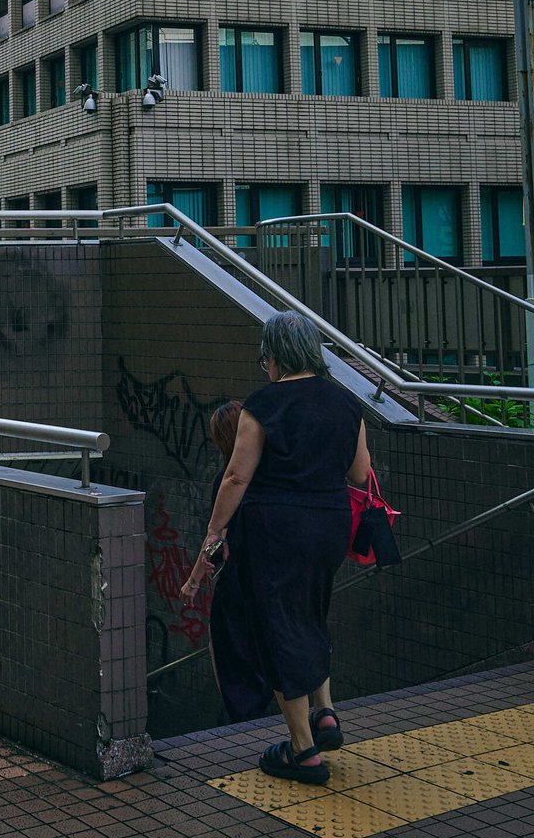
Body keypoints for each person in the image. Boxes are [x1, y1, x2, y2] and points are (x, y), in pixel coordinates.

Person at [180, 311, 371, 785]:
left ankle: (304, 751)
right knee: (308, 612)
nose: (264, 365)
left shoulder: (264, 403)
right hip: (330, 523)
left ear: (277, 355)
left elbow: (238, 475)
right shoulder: (347, 402)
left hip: (276, 527)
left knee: (277, 625)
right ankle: (325, 711)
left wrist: (213, 536)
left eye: (265, 356)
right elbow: (360, 475)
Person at [183, 400, 274, 723]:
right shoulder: (274, 475)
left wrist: (194, 579)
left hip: (237, 581)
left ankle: (242, 720)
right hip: (274, 575)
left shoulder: (228, 480)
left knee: (229, 649)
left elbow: (216, 535)